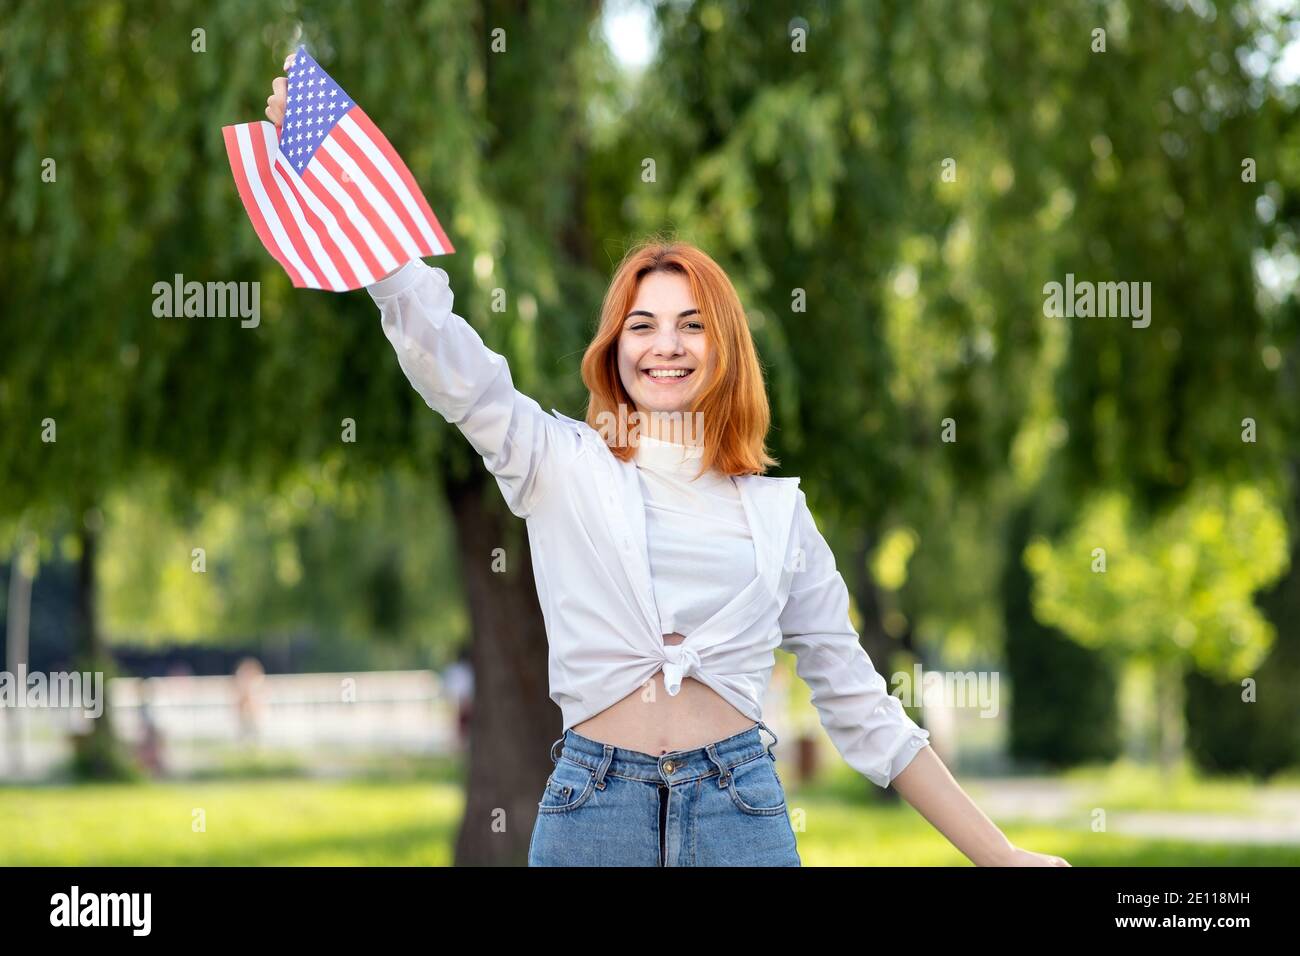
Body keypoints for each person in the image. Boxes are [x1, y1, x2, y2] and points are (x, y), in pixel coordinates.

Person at [264, 56, 1069, 868]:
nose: (666, 346)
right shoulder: (557, 462)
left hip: (741, 811)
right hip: (591, 810)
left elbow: (864, 710)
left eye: (691, 324)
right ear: (614, 350)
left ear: (724, 349)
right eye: (642, 325)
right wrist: (356, 209)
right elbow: (452, 364)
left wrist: (1004, 859)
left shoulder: (778, 512)